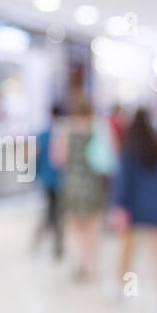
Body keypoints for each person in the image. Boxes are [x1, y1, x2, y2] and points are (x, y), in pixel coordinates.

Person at [112, 109, 157, 313]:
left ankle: (124, 291)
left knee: (127, 253)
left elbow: (124, 182)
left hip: (134, 209)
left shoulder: (130, 150)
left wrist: (119, 205)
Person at [54, 96, 107, 282]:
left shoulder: (65, 130)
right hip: (93, 181)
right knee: (93, 226)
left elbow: (59, 159)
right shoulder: (98, 129)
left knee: (73, 226)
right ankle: (90, 265)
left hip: (72, 182)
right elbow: (109, 157)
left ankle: (79, 263)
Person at [31, 105, 64, 259]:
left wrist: (36, 175)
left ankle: (39, 240)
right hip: (61, 179)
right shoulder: (63, 134)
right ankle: (56, 243)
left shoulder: (43, 134)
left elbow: (36, 157)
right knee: (57, 212)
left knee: (50, 210)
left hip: (47, 179)